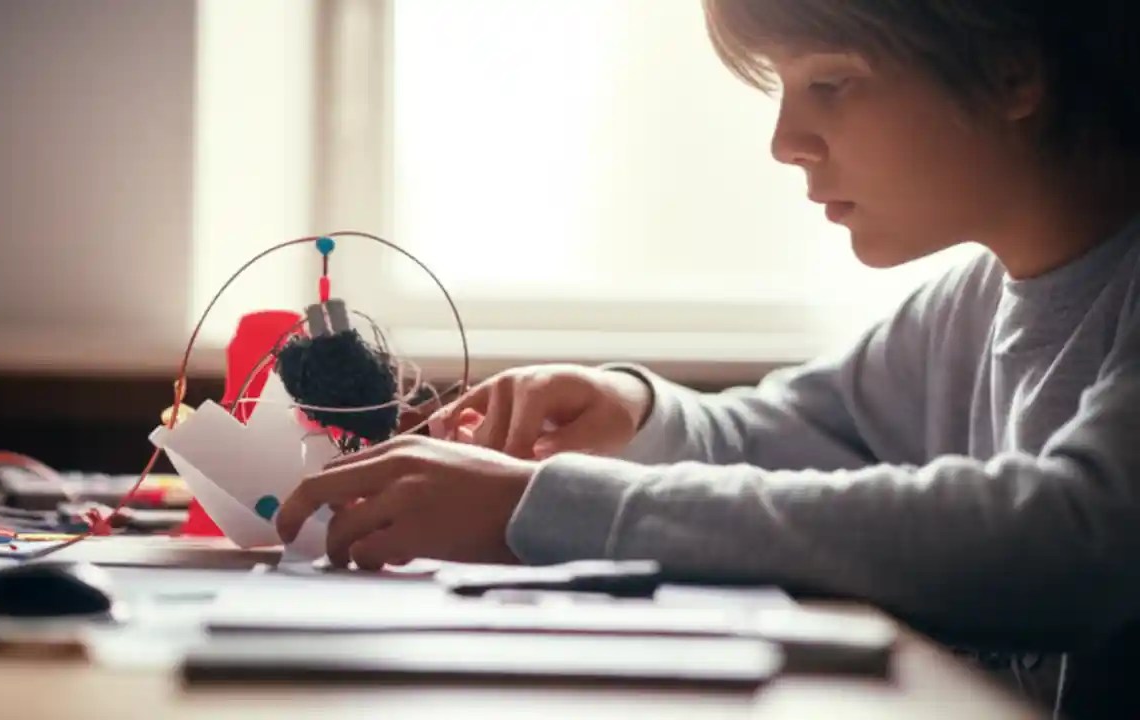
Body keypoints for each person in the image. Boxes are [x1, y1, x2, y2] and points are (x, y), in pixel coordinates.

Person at [277, 0, 1140, 713]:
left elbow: (1073, 542)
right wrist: (635, 411)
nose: (785, 141)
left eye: (829, 83)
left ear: (1011, 71)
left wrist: (541, 507)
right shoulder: (974, 305)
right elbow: (776, 433)